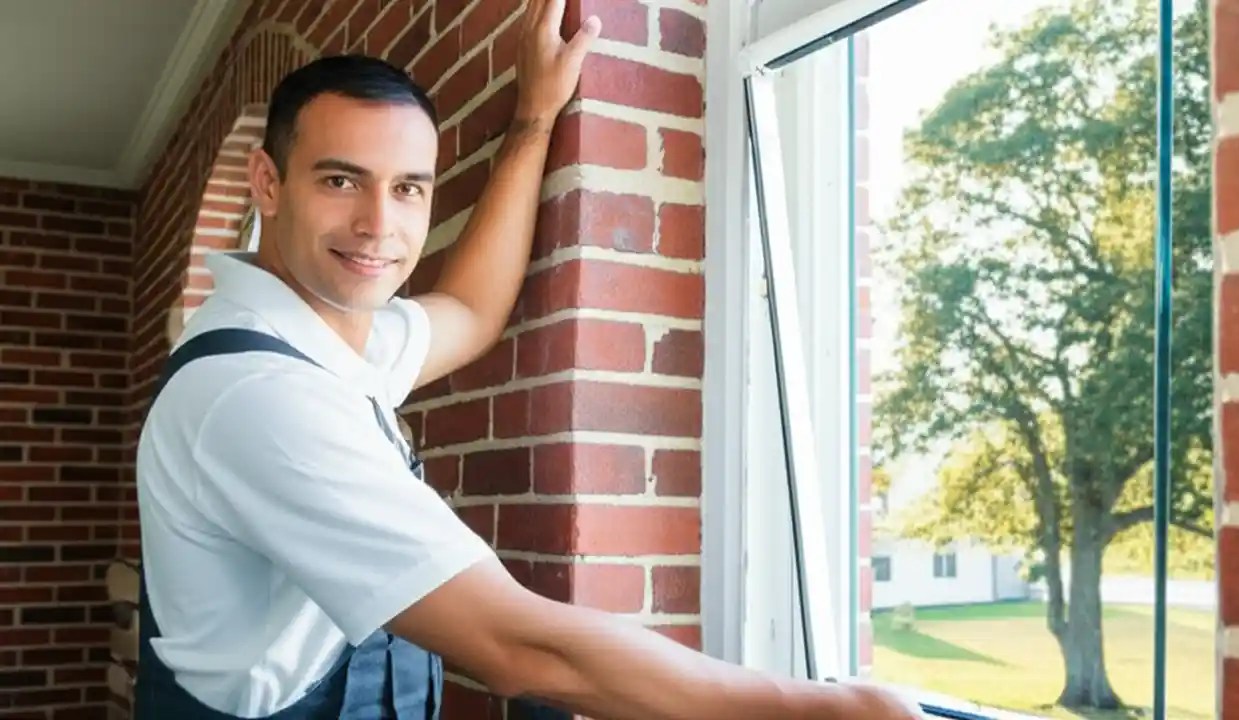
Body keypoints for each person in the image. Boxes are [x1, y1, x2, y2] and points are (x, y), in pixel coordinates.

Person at [134, 0, 926, 718]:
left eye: (409, 188)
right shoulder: (258, 395)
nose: (379, 224)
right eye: (342, 180)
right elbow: (516, 649)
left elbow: (471, 313)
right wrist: (823, 710)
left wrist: (534, 119)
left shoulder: (333, 339)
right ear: (267, 183)